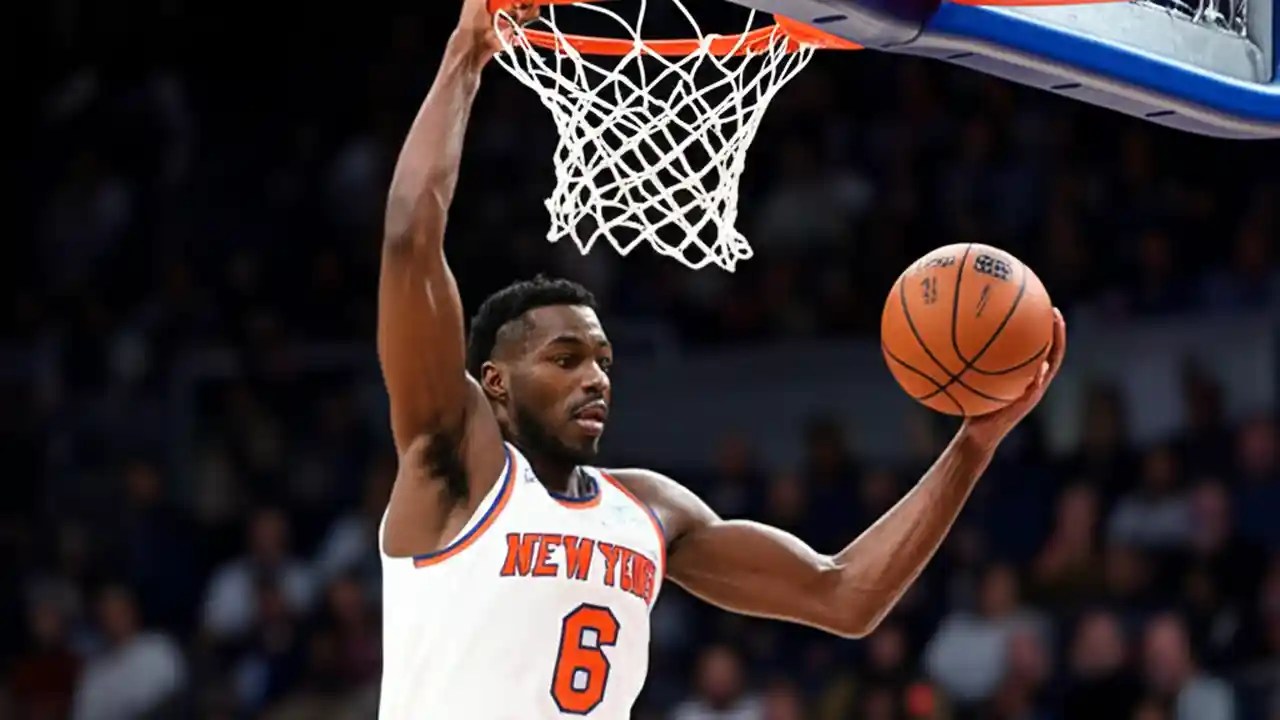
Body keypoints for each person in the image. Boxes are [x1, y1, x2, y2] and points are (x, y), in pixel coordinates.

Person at [374, 0, 1068, 716]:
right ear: (493, 382)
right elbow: (409, 238)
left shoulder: (648, 508)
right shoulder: (454, 464)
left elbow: (843, 595)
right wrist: (465, 53)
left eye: (605, 360)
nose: (595, 378)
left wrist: (975, 442)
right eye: (565, 358)